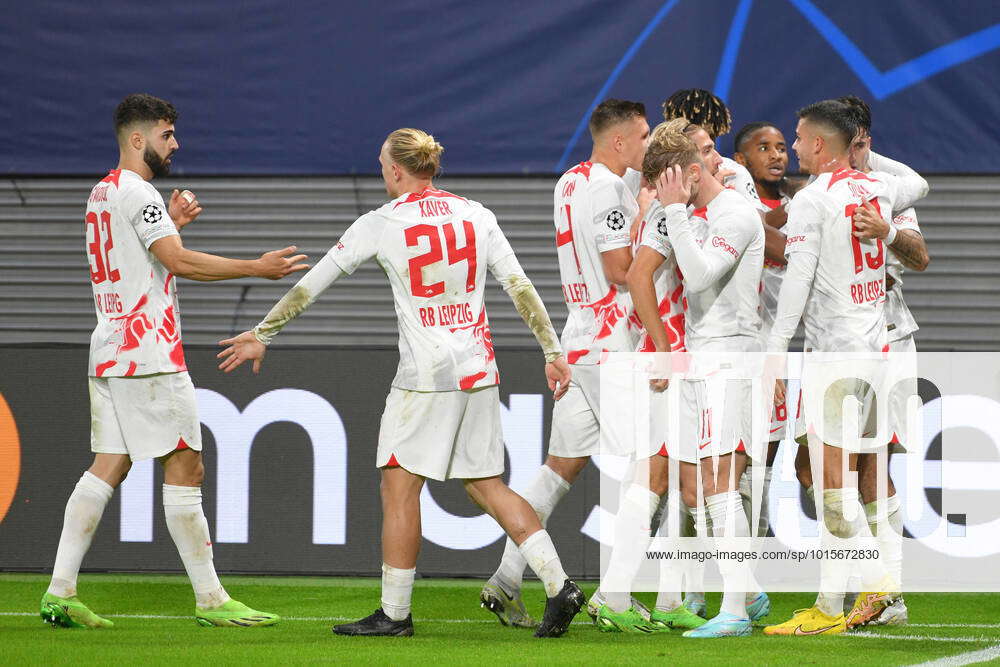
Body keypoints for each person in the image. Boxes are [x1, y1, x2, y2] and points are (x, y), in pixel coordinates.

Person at [217, 128, 584, 638]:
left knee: (398, 483)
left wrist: (263, 333)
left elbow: (314, 281)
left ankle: (394, 614)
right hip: (478, 368)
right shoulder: (478, 214)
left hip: (426, 376)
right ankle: (559, 584)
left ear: (395, 170)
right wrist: (552, 352)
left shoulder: (382, 222)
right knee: (486, 485)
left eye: (380, 162)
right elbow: (519, 287)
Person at [41, 93, 306, 629]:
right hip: (150, 354)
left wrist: (172, 222)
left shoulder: (102, 192)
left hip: (110, 347)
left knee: (108, 465)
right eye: (166, 135)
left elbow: (140, 262)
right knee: (186, 464)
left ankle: (59, 591)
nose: (175, 144)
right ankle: (211, 599)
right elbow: (176, 262)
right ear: (137, 140)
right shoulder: (139, 193)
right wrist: (255, 267)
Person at [479, 99, 649, 628]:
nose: (647, 146)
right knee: (651, 467)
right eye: (642, 137)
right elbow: (622, 270)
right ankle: (619, 597)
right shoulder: (609, 189)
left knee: (561, 468)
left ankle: (507, 580)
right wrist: (647, 214)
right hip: (612, 342)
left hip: (577, 338)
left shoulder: (569, 181)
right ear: (618, 142)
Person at [763, 99, 928, 636]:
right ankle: (833, 602)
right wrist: (868, 166)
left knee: (835, 482)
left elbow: (797, 280)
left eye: (798, 137)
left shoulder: (812, 201)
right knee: (850, 473)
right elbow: (919, 184)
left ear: (818, 145)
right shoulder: (875, 191)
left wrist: (775, 349)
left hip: (835, 357)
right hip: (876, 351)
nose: (792, 146)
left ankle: (874, 587)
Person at [626, 120, 767, 638]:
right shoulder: (690, 211)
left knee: (720, 481)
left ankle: (733, 607)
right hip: (703, 359)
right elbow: (652, 274)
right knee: (705, 486)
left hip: (731, 356)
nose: (662, 196)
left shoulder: (735, 213)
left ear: (689, 173)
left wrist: (675, 212)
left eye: (667, 184)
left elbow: (703, 274)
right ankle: (745, 593)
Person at [732, 121, 793, 537]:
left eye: (782, 147)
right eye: (764, 147)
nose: (776, 155)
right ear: (740, 160)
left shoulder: (796, 199)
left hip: (776, 342)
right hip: (738, 343)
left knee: (764, 456)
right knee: (722, 464)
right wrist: (800, 208)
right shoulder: (734, 197)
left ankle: (750, 557)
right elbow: (769, 237)